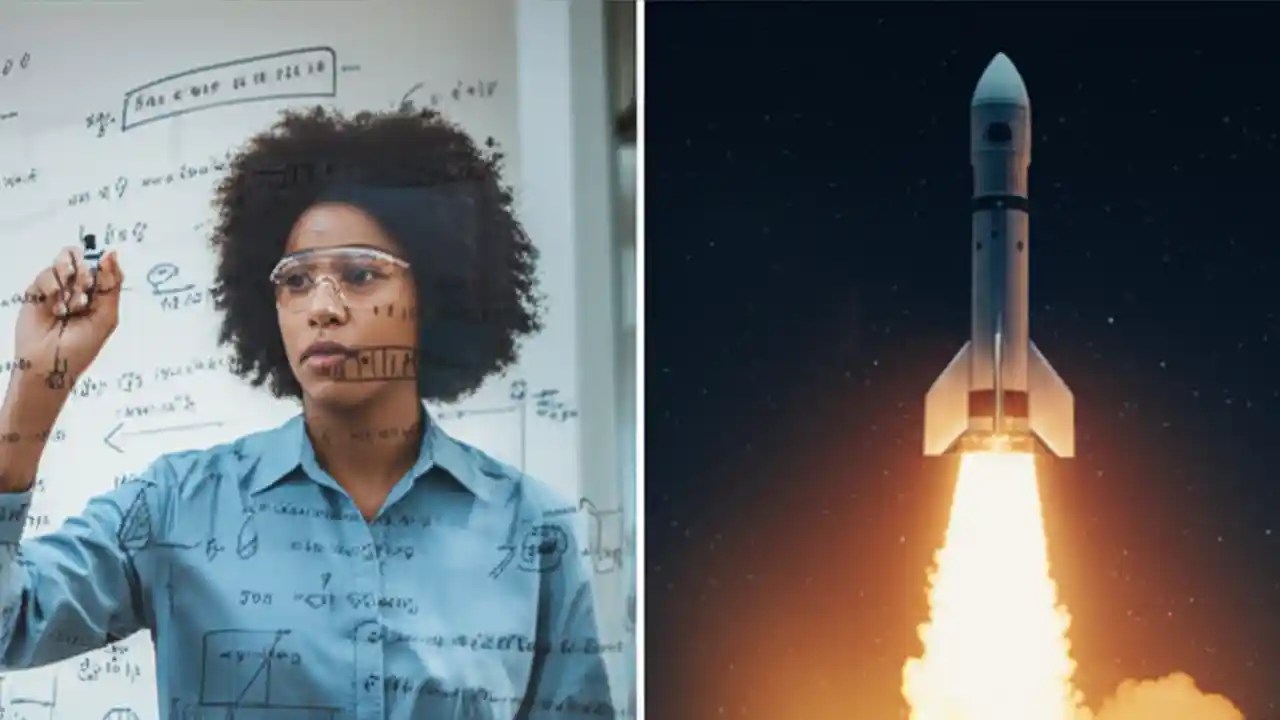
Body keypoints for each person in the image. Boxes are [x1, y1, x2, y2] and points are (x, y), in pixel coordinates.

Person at [0, 105, 617, 719]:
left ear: (434, 293)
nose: (321, 306)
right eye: (295, 281)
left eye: (359, 274)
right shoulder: (176, 506)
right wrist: (36, 385)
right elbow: (11, 624)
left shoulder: (531, 531)